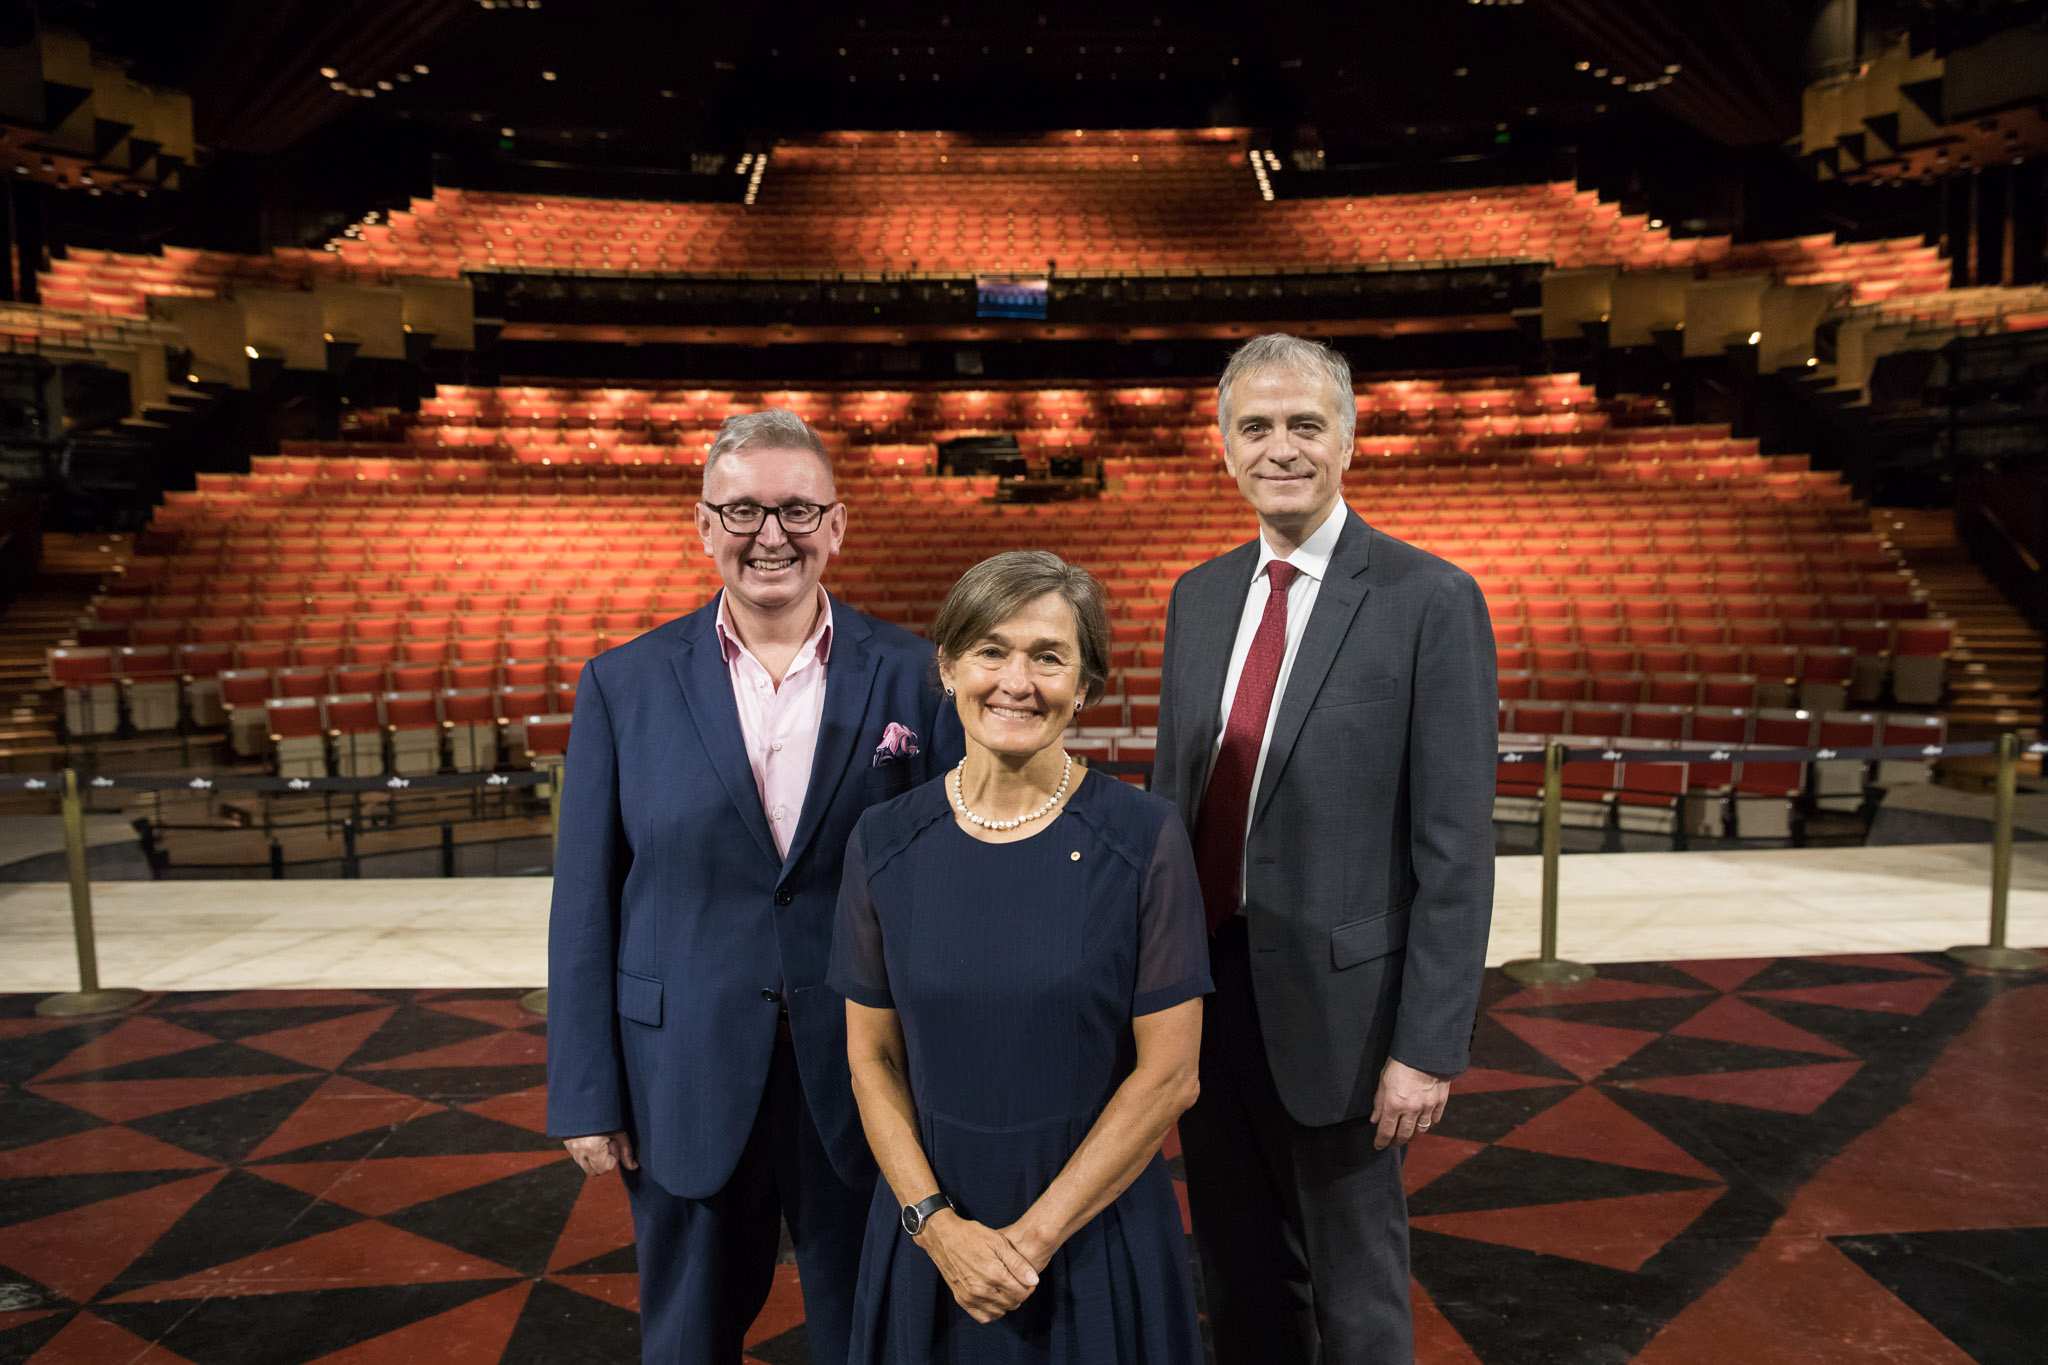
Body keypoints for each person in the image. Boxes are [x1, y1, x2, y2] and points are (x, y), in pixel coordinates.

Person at [545, 409, 960, 1365]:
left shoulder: (917, 677)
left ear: (836, 525)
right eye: (743, 510)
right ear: (704, 526)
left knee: (872, 1336)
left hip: (864, 1071)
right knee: (687, 1338)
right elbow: (585, 904)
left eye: (796, 510)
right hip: (681, 1070)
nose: (771, 534)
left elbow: (945, 890)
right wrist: (585, 1091)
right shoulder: (621, 685)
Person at [1152, 334, 1498, 1362]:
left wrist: (1425, 1047)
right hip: (1207, 991)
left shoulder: (1429, 598)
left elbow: (1455, 848)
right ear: (1224, 447)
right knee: (1236, 1269)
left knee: (1355, 1291)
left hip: (1347, 1011)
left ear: (1348, 440)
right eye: (1255, 427)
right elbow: (1171, 804)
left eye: (1305, 424)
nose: (1281, 448)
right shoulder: (1197, 595)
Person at [828, 550, 1208, 1365]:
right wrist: (938, 1227)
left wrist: (1028, 1243)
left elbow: (1171, 1075)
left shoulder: (1144, 836)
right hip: (931, 1232)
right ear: (948, 667)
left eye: (1048, 657)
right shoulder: (883, 839)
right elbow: (870, 1058)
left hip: (1093, 1231)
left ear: (1086, 683)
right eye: (991, 651)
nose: (1016, 681)